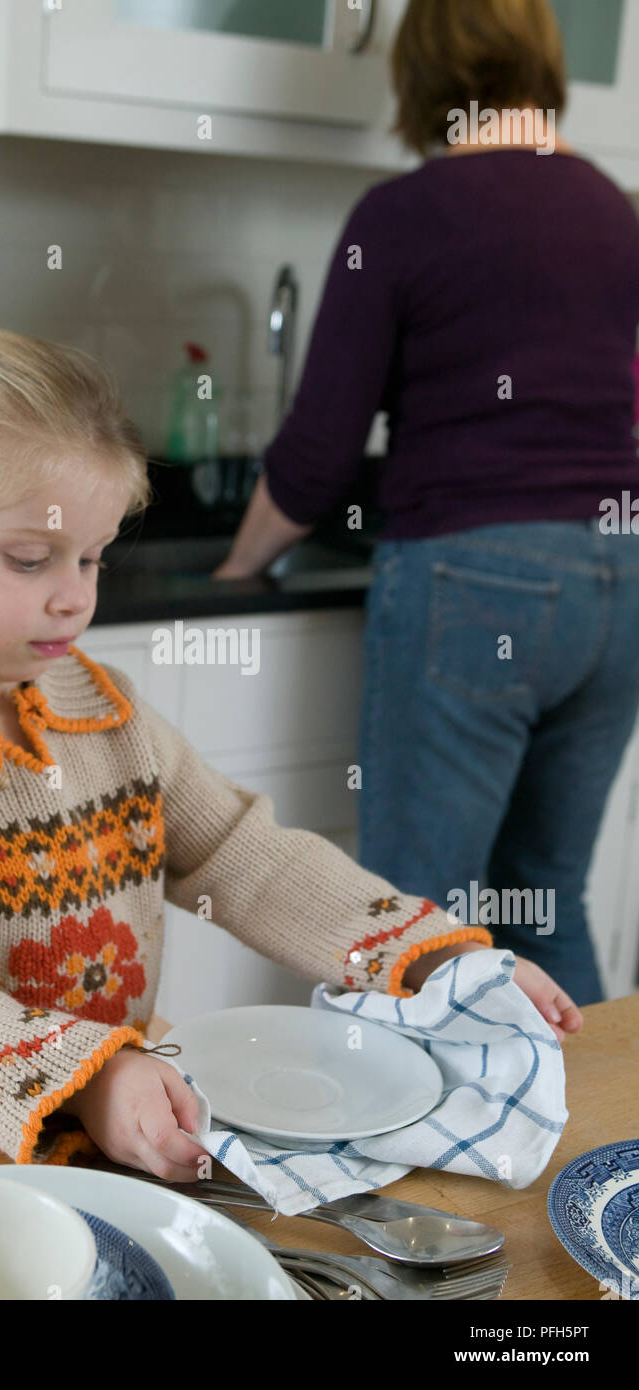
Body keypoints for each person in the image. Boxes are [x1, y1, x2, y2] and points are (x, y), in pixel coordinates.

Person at [0, 327, 580, 1201]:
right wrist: (85, 1078)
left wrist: (426, 955)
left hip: (99, 1150)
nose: (75, 594)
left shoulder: (102, 710)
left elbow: (243, 859)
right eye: (31, 559)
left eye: (91, 557)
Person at [214, 0, 639, 1007]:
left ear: (421, 71)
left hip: (476, 574)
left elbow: (318, 455)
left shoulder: (401, 218)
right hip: (619, 579)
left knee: (416, 922)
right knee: (546, 896)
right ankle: (596, 1160)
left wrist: (232, 572)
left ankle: (409, 1168)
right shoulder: (617, 210)